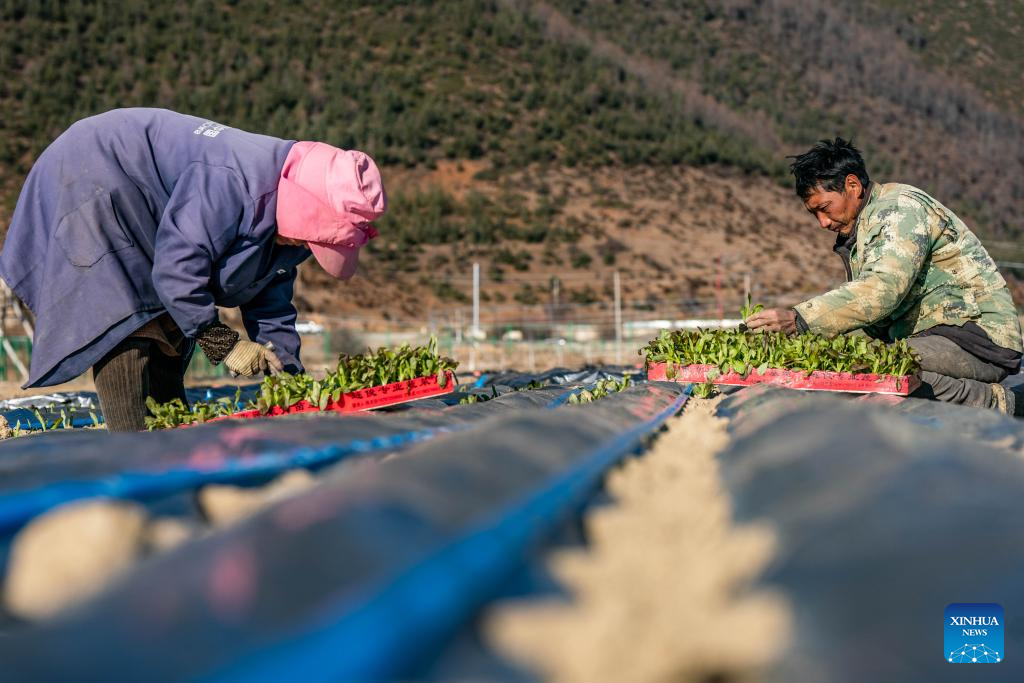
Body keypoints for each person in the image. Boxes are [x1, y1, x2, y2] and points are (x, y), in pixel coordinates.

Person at [0, 108, 387, 431]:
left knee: (176, 319)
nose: (305, 246)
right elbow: (176, 275)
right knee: (128, 313)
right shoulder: (234, 183)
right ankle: (132, 446)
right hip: (96, 172)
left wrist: (288, 374)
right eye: (311, 239)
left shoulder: (287, 227)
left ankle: (169, 431)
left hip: (140, 196)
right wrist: (225, 344)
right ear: (303, 207)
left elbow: (271, 294)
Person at [744, 137, 1022, 414]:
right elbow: (874, 317)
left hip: (976, 339)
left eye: (824, 208)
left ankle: (997, 402)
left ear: (853, 186)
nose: (823, 222)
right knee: (837, 363)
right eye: (814, 213)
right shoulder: (862, 228)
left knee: (881, 368)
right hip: (930, 337)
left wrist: (800, 319)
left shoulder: (899, 209)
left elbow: (883, 290)